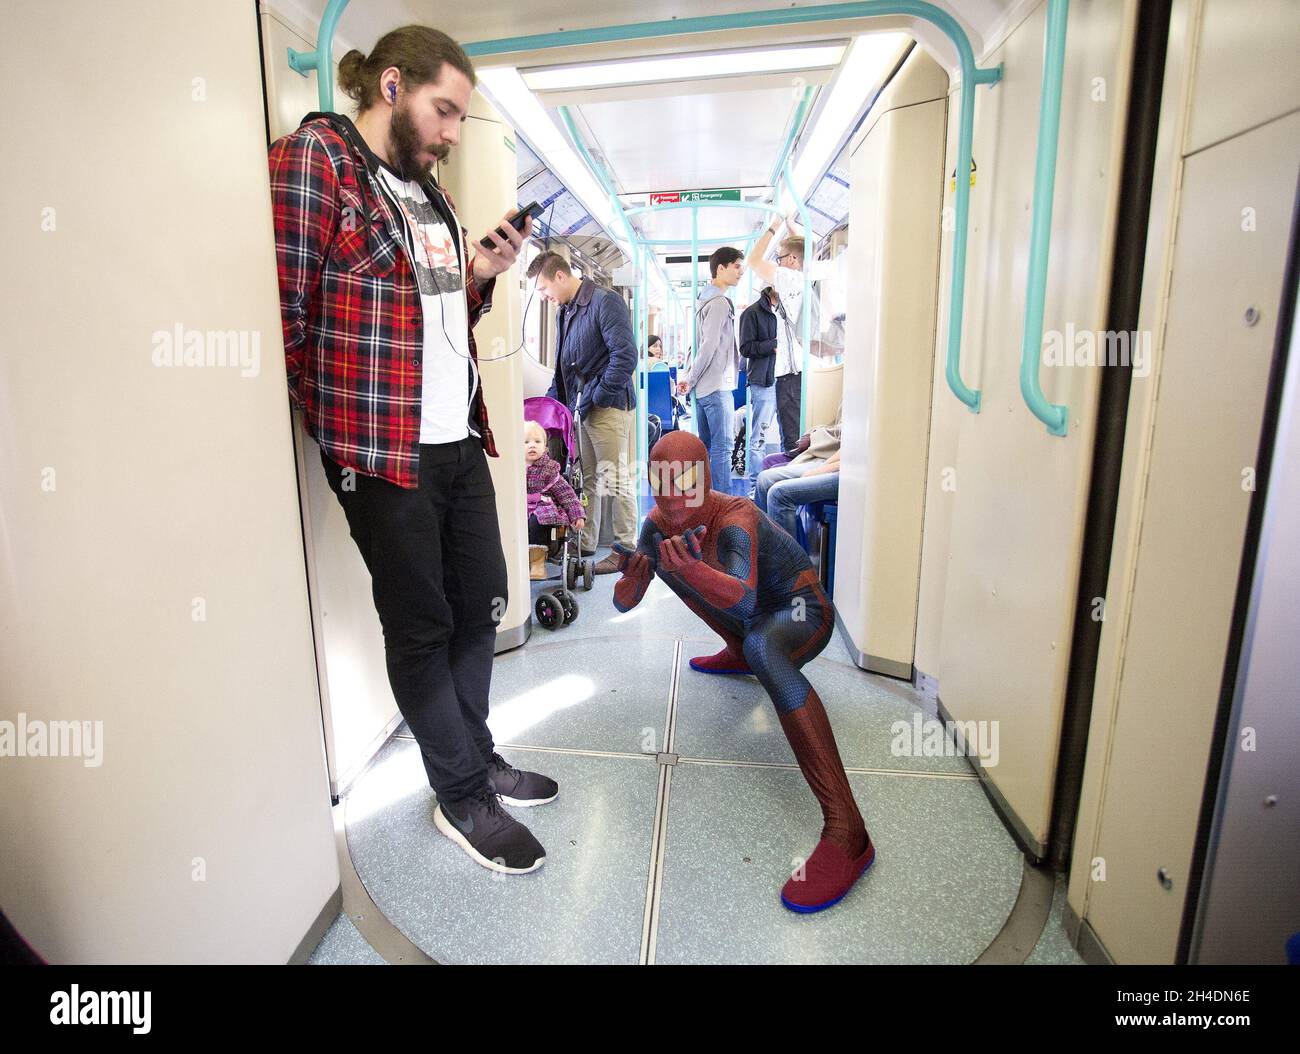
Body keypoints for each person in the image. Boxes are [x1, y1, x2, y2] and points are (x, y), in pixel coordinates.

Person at [268, 24, 557, 877]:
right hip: (384, 451)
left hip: (458, 436)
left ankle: (474, 754)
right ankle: (462, 794)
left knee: (486, 600)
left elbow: (437, 314)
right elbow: (286, 317)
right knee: (423, 622)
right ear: (391, 86)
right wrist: (341, 429)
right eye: (444, 111)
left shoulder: (429, 193)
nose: (452, 134)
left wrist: (481, 276)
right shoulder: (316, 163)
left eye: (461, 118)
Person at [610, 431, 874, 913]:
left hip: (803, 613)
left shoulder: (736, 517)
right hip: (757, 616)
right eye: (660, 481)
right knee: (676, 567)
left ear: (706, 478)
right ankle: (738, 650)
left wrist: (687, 571)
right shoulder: (656, 525)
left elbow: (746, 597)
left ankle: (849, 829)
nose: (672, 499)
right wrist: (634, 576)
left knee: (760, 644)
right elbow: (623, 603)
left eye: (684, 482)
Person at [530, 251, 637, 573]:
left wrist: (599, 396)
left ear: (560, 276)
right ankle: (586, 540)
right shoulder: (566, 312)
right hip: (583, 407)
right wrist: (549, 411)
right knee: (589, 479)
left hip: (607, 406)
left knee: (615, 478)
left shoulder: (605, 302)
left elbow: (625, 356)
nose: (545, 297)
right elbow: (563, 369)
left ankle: (625, 548)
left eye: (544, 289)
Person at [679, 246, 743, 496]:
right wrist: (691, 378)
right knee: (722, 448)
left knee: (708, 446)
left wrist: (691, 380)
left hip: (704, 388)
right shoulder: (718, 303)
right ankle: (724, 506)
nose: (741, 272)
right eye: (736, 266)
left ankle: (707, 502)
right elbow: (708, 346)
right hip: (717, 385)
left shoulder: (703, 300)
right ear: (721, 269)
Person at [747, 212, 810, 454]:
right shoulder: (809, 276)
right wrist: (794, 230)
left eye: (780, 257)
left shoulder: (789, 278)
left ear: (793, 259)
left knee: (793, 443)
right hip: (808, 373)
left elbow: (753, 260)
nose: (778, 262)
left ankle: (790, 491)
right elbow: (804, 250)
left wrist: (774, 226)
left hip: (790, 377)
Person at [755, 420, 842, 539]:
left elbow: (852, 460)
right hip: (832, 460)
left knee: (778, 494)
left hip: (846, 472)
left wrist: (816, 472)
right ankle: (768, 545)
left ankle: (787, 556)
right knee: (764, 480)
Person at [524, 420, 584, 579]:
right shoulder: (513, 468)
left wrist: (576, 514)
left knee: (536, 521)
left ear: (545, 448)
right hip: (520, 506)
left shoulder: (549, 469)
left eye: (537, 442)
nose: (532, 445)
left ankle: (537, 564)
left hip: (542, 507)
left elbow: (566, 494)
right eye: (526, 442)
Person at [738, 286, 779, 497]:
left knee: (788, 437)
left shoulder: (789, 312)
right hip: (763, 381)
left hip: (788, 379)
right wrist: (771, 345)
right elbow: (745, 349)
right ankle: (755, 489)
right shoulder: (752, 313)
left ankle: (779, 486)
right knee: (759, 438)